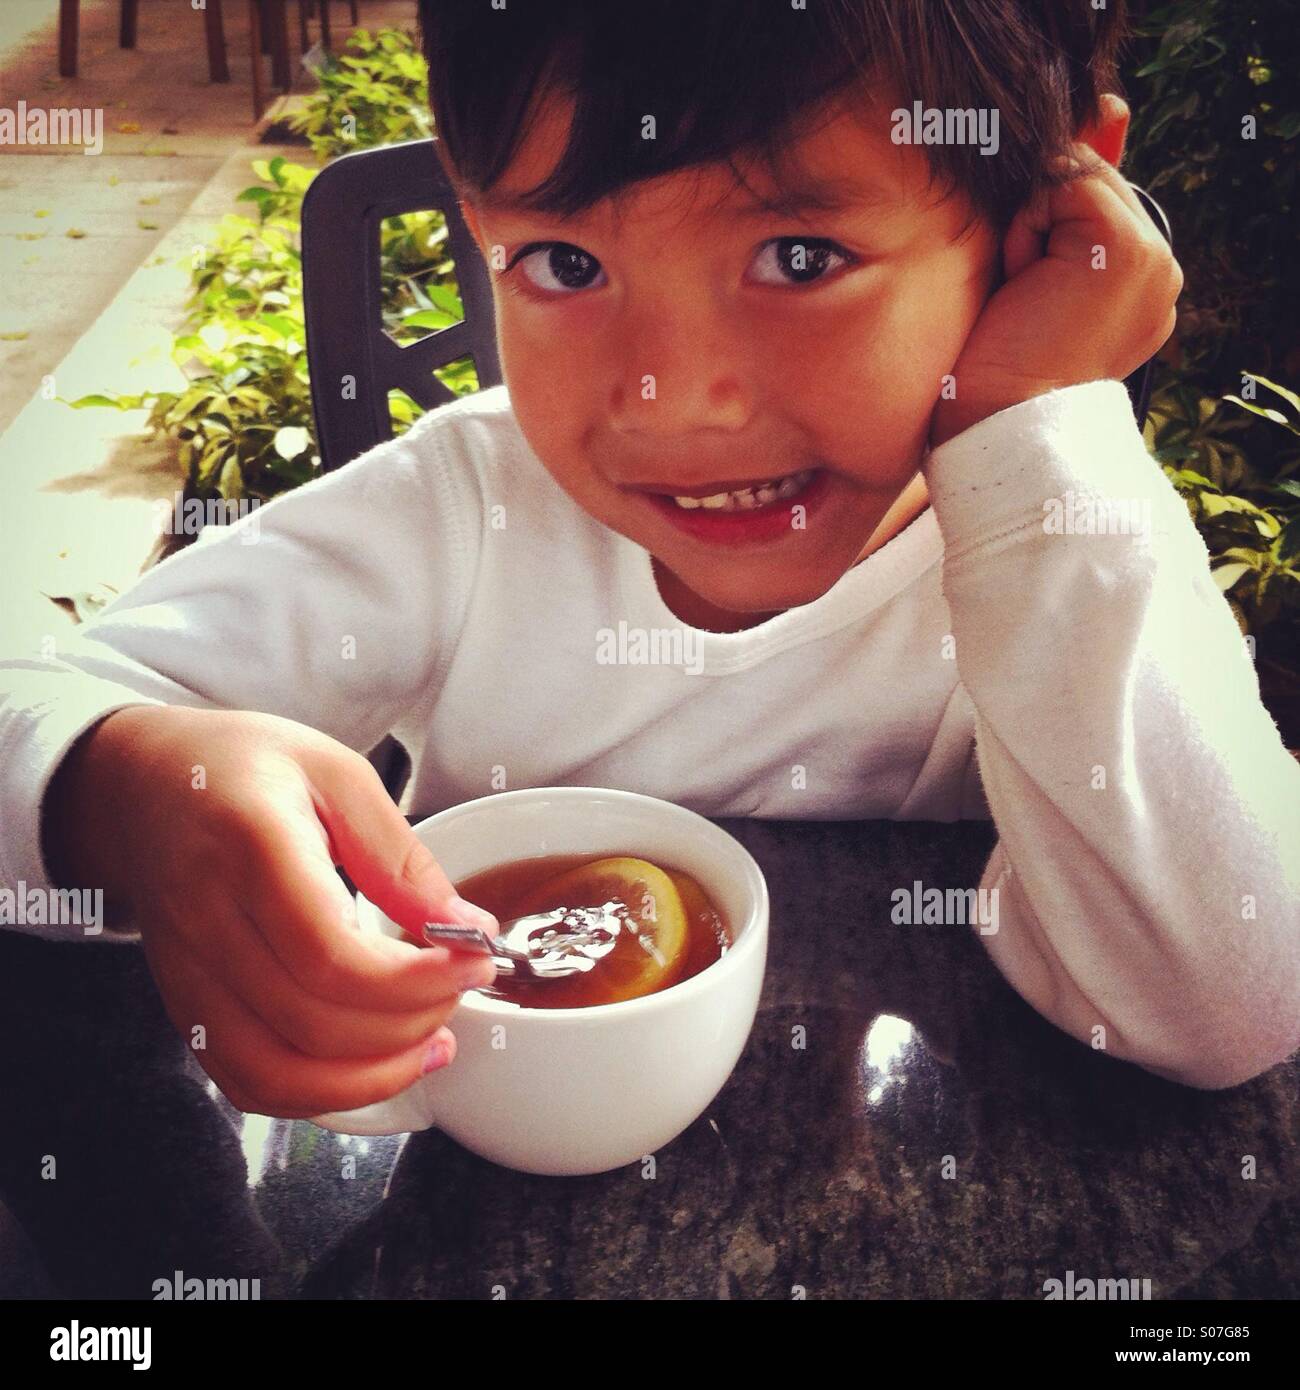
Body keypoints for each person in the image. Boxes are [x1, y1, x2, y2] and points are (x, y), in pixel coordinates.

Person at [1, 0, 1295, 1121]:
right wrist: (124, 783)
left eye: (802, 258)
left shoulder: (1044, 552)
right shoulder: (462, 513)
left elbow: (1230, 992)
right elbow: (31, 700)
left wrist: (1030, 432)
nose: (673, 405)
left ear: (1052, 216)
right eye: (566, 263)